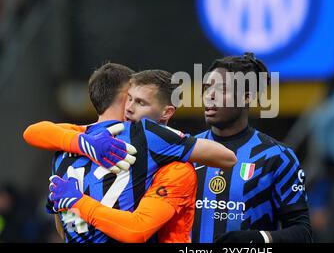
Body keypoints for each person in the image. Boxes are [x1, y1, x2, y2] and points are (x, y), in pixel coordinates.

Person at [23, 64, 236, 242]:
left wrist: (83, 144)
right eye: (131, 98)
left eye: (140, 101)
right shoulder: (148, 137)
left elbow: (62, 225)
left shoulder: (64, 144)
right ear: (124, 97)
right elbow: (137, 230)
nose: (131, 107)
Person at [192, 53, 312, 243]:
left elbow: (302, 233)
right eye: (207, 88)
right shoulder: (185, 150)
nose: (210, 96)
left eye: (222, 89)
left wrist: (260, 238)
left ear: (247, 98)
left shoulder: (277, 157)